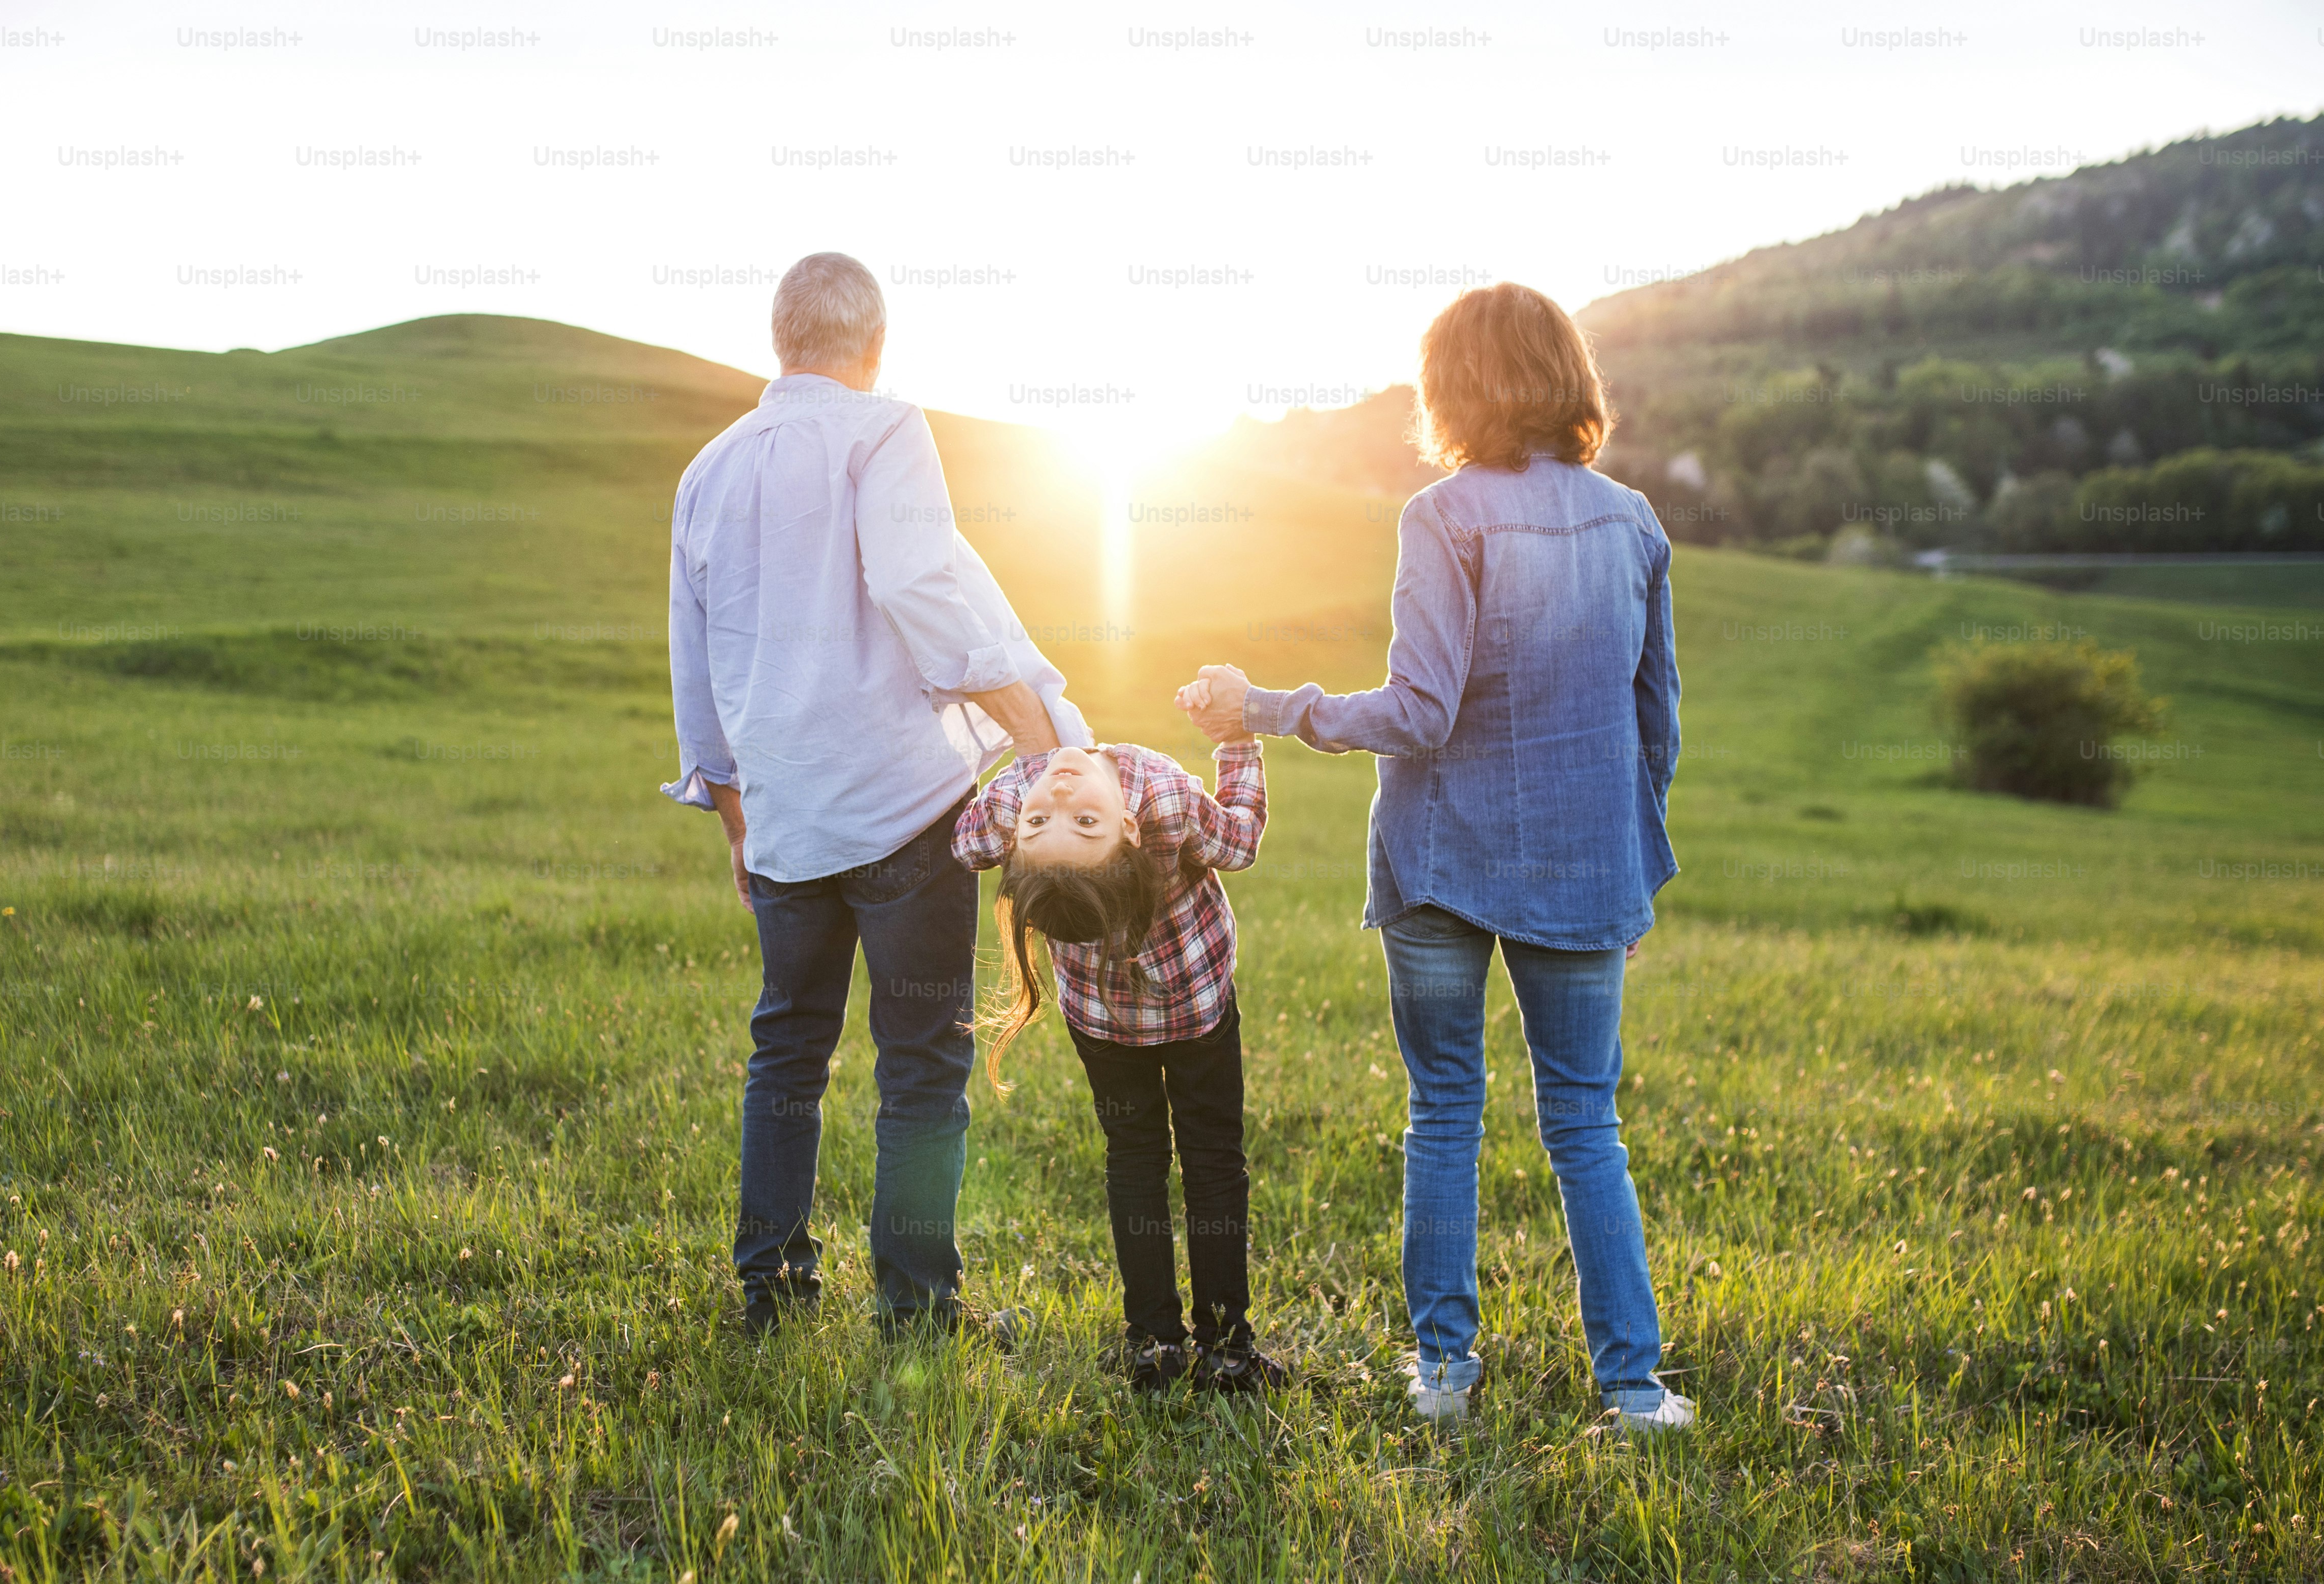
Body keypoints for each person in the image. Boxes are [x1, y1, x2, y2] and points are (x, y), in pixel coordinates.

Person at [1179, 282, 1692, 1430]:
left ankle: (1445, 1374)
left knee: (1445, 1109)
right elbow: (1657, 721)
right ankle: (1632, 1386)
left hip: (1440, 857)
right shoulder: (1636, 522)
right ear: (1570, 379)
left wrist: (1266, 704)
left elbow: (1417, 715)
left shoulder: (1442, 515)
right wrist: (1624, 842)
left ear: (1449, 389)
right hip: (1579, 865)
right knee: (1584, 1121)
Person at [663, 251, 1091, 1339]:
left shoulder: (707, 469)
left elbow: (695, 662)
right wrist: (1031, 728)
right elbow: (916, 582)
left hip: (786, 818)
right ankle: (913, 1306)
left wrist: (733, 819)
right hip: (907, 808)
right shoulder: (884, 429)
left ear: (780, 339)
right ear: (876, 345)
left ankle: (770, 1286)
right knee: (920, 1066)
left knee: (787, 1051)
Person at [951, 697, 1286, 1393]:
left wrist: (1016, 813)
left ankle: (1155, 1346)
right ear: (1130, 825)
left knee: (1137, 1160)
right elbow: (1240, 843)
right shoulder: (1160, 794)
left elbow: (965, 845)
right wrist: (1237, 745)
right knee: (1211, 1161)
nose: (1060, 798)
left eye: (1054, 822)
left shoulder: (1018, 797)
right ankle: (1222, 1351)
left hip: (1107, 1020)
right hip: (1192, 1005)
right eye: (1071, 822)